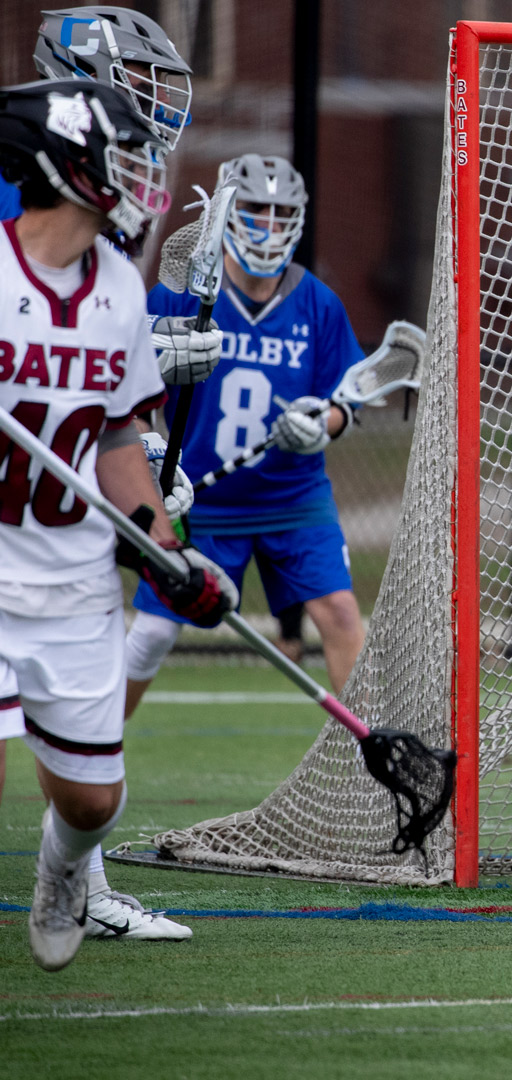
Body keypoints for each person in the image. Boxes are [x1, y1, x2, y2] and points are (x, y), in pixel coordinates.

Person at [0, 79, 235, 971]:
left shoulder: (117, 293)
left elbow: (116, 437)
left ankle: (63, 874)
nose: (143, 175)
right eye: (123, 155)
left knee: (93, 803)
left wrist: (165, 553)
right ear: (67, 165)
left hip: (72, 583)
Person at [124, 154, 368, 724]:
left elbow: (344, 401)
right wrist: (151, 452)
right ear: (230, 211)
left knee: (339, 613)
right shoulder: (181, 296)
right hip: (200, 503)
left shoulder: (317, 304)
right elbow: (128, 397)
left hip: (293, 497)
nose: (269, 223)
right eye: (256, 208)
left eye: (283, 212)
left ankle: (363, 774)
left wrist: (319, 426)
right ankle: (90, 757)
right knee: (156, 630)